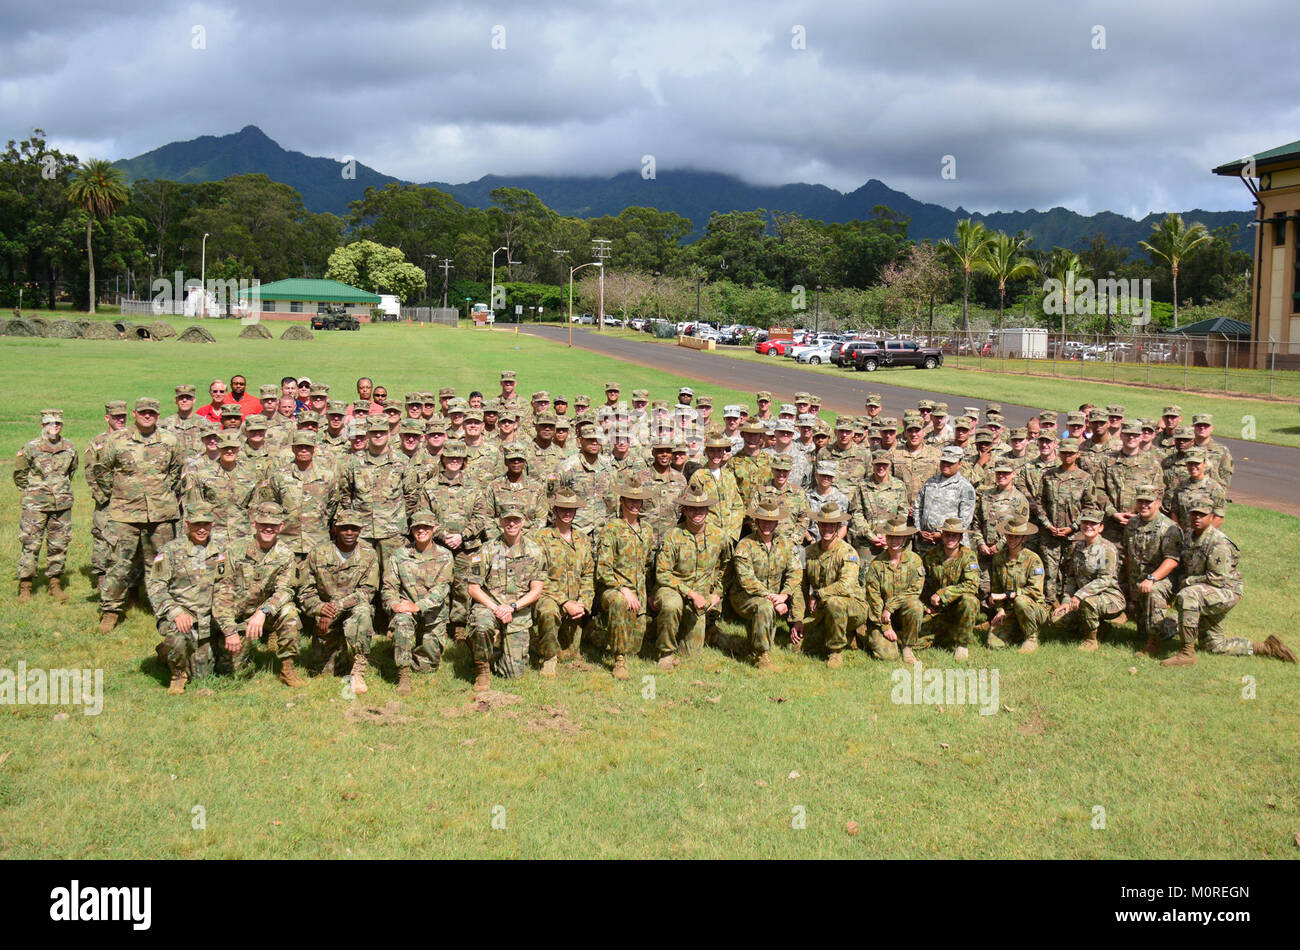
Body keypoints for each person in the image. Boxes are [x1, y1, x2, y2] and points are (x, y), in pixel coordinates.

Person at [1163, 505, 1295, 666]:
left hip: (1225, 591)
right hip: (1206, 591)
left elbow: (1218, 578)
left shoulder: (1219, 543)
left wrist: (1188, 582)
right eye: (1194, 514)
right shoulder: (1190, 537)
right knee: (1214, 645)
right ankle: (1267, 648)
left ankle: (1186, 653)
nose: (1197, 518)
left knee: (1188, 597)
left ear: (1211, 517)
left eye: (1202, 515)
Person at [96, 397, 186, 632]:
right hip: (124, 513)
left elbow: (176, 472)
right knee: (118, 563)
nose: (148, 416)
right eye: (143, 412)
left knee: (160, 563)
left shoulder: (170, 440)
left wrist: (161, 493)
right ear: (134, 414)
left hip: (161, 513)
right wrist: (118, 496)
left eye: (152, 413)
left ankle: (162, 609)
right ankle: (111, 610)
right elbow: (103, 471)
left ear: (158, 415)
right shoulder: (117, 440)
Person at [211, 501, 303, 687]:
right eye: (264, 524)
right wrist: (229, 631)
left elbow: (286, 590)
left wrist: (263, 611)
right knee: (231, 672)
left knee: (290, 613)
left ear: (281, 527)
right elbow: (222, 594)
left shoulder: (286, 554)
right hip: (236, 618)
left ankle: (287, 668)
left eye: (273, 525)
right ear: (255, 524)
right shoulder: (234, 550)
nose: (268, 528)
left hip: (264, 616)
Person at [466, 506, 547, 690]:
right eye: (507, 520)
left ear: (523, 522)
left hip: (517, 611)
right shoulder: (486, 550)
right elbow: (473, 588)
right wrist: (497, 609)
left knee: (513, 674)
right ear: (500, 522)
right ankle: (482, 669)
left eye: (516, 520)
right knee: (482, 626)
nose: (512, 524)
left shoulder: (535, 551)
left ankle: (490, 649)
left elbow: (536, 590)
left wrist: (512, 607)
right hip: (489, 607)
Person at [300, 510, 380, 693]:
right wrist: (320, 609)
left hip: (351, 609)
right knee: (327, 672)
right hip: (326, 614)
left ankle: (359, 669)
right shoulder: (318, 553)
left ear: (360, 530)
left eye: (354, 529)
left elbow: (367, 591)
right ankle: (340, 650)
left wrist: (336, 606)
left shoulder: (369, 554)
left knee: (363, 612)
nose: (349, 533)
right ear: (336, 529)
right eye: (345, 529)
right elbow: (305, 591)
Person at [148, 502, 222, 695]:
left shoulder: (222, 550)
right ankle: (177, 674)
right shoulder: (171, 550)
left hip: (209, 618)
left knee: (203, 675)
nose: (202, 529)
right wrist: (175, 612)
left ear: (212, 525)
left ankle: (167, 651)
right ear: (187, 524)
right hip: (183, 617)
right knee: (178, 635)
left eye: (206, 524)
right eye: (197, 524)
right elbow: (156, 585)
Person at [653, 486, 729, 669]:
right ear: (684, 510)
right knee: (672, 605)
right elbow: (662, 572)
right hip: (673, 589)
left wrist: (717, 593)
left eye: (701, 508)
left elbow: (727, 567)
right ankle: (666, 653)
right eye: (692, 508)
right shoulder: (674, 535)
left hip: (701, 598)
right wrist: (690, 593)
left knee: (691, 654)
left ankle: (689, 631)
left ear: (707, 510)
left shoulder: (719, 536)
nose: (697, 513)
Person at [383, 510, 455, 694]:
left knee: (426, 667)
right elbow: (389, 585)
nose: (421, 530)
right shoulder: (399, 555)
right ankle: (404, 675)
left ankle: (405, 648)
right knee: (402, 623)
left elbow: (442, 589)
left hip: (433, 613)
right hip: (406, 610)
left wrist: (419, 606)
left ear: (434, 528)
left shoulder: (445, 556)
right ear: (411, 529)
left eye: (426, 527)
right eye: (417, 527)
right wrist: (394, 604)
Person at [729, 494, 804, 669]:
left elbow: (795, 573)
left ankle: (797, 632)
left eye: (771, 521)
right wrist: (773, 598)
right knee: (764, 606)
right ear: (756, 521)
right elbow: (747, 580)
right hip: (744, 597)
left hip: (776, 596)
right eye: (763, 521)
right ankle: (761, 655)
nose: (767, 525)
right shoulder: (745, 545)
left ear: (777, 522)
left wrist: (784, 595)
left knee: (795, 590)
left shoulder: (786, 544)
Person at [334, 416, 414, 578]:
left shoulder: (402, 461)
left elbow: (411, 495)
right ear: (368, 434)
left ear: (389, 434)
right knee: (361, 576)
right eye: (374, 432)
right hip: (362, 533)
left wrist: (399, 522)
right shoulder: (355, 461)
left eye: (382, 432)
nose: (378, 435)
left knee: (392, 577)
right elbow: (345, 494)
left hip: (392, 533)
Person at [595, 477, 656, 680]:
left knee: (635, 647)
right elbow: (603, 568)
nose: (634, 504)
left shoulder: (647, 530)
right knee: (620, 604)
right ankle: (619, 661)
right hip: (615, 590)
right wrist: (622, 588)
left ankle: (595, 635)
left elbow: (648, 564)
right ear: (622, 501)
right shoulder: (612, 529)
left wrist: (649, 593)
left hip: (639, 594)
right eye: (629, 500)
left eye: (637, 501)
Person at [14, 409, 77, 602]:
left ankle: (55, 584)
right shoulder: (31, 448)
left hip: (61, 505)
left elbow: (71, 472)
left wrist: (59, 490)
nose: (54, 427)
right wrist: (34, 491)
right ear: (43, 426)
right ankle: (25, 586)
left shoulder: (69, 448)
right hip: (36, 505)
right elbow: (20, 474)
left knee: (59, 545)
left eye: (57, 424)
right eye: (50, 423)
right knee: (30, 544)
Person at [531, 489, 596, 673]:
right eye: (562, 509)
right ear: (555, 510)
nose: (567, 513)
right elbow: (537, 575)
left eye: (571, 509)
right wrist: (564, 602)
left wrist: (583, 602)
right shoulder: (541, 538)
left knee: (570, 652)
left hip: (575, 600)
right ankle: (549, 660)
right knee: (549, 611)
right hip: (549, 596)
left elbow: (588, 574)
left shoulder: (583, 539)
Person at [794, 503, 865, 669]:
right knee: (795, 647)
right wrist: (797, 619)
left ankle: (836, 652)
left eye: (831, 525)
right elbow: (800, 587)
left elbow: (845, 587)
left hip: (852, 605)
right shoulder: (808, 552)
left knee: (835, 603)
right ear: (818, 525)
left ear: (838, 526)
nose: (826, 528)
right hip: (823, 609)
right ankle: (846, 636)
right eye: (823, 524)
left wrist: (818, 594)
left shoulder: (848, 552)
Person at [1051, 508, 1125, 652]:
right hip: (1082, 599)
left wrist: (1079, 596)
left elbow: (1104, 580)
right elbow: (1071, 578)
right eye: (1085, 523)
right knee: (1057, 621)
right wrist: (1066, 602)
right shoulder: (1077, 547)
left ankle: (1091, 640)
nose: (1088, 527)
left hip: (1110, 597)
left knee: (1089, 603)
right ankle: (1100, 627)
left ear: (1101, 527)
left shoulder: (1107, 549)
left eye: (1093, 524)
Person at [1124, 484, 1183, 658]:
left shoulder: (1169, 527)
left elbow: (1172, 561)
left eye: (1148, 502)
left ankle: (1153, 644)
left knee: (1154, 593)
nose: (1144, 505)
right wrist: (1130, 583)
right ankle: (1175, 625)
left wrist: (1152, 578)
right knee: (1141, 630)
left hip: (1162, 580)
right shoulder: (1132, 524)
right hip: (1138, 581)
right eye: (1140, 501)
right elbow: (1128, 556)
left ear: (1157, 503)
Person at [1036, 437, 1096, 605]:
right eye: (1064, 453)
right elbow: (1039, 503)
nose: (1067, 456)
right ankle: (1048, 603)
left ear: (1077, 454)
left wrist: (1073, 527)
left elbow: (1090, 507)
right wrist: (1048, 525)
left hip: (1074, 535)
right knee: (1049, 571)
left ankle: (1067, 604)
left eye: (1071, 453)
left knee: (1071, 571)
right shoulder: (1048, 475)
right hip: (1050, 534)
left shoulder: (1085, 478)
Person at [862, 517, 924, 663]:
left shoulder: (915, 561)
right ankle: (863, 635)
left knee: (916, 606)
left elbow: (914, 591)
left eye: (899, 538)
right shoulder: (876, 564)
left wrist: (890, 607)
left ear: (905, 539)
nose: (894, 541)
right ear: (886, 537)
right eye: (891, 537)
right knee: (889, 656)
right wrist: (885, 626)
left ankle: (907, 647)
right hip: (880, 617)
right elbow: (873, 598)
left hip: (902, 613)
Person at [921, 518, 982, 661]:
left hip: (958, 609)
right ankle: (947, 634)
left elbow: (971, 585)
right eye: (947, 534)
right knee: (915, 642)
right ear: (942, 535)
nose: (950, 538)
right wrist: (925, 605)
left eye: (955, 535)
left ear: (960, 537)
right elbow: (921, 584)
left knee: (970, 600)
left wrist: (943, 593)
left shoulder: (968, 556)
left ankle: (962, 645)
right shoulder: (930, 556)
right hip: (937, 610)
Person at [987, 515, 1047, 653]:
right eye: (1009, 536)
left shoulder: (1033, 559)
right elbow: (996, 588)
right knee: (994, 644)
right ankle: (1018, 630)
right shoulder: (999, 558)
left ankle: (1031, 638)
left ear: (1023, 538)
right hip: (1009, 610)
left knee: (1021, 601)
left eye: (1016, 537)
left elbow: (1035, 591)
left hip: (1033, 607)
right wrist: (1000, 609)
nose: (1011, 540)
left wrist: (1008, 595)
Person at [83, 399, 129, 584]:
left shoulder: (131, 439)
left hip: (127, 501)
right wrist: (103, 498)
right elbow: (90, 472)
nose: (120, 420)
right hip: (106, 501)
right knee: (102, 537)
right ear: (107, 417)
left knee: (125, 540)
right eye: (116, 417)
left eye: (123, 417)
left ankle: (126, 582)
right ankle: (102, 579)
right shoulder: (97, 442)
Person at [912, 445, 976, 556]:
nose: (945, 465)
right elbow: (918, 506)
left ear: (960, 464)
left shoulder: (965, 487)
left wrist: (942, 534)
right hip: (926, 544)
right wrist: (919, 530)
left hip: (952, 545)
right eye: (943, 462)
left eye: (950, 463)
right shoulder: (930, 482)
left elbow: (965, 520)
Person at [161, 384, 204, 454]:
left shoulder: (204, 424)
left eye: (188, 397)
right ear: (176, 400)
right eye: (181, 397)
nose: (184, 400)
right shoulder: (166, 424)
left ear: (194, 400)